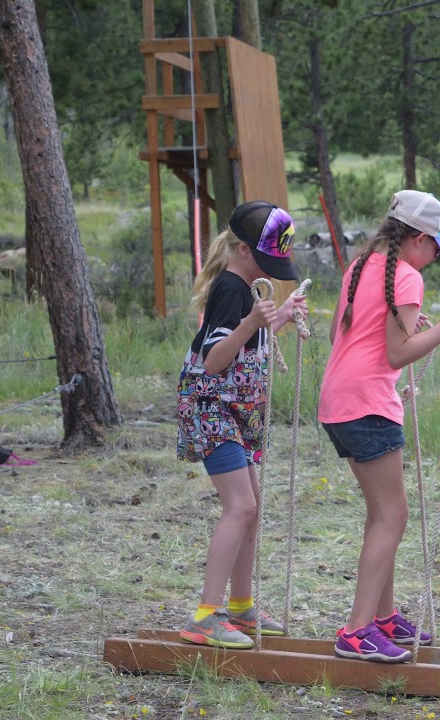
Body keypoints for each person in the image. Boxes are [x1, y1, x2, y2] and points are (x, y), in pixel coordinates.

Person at [319, 190, 440, 663]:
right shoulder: (407, 277)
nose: (436, 259)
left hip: (337, 399)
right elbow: (397, 354)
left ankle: (382, 616)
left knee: (381, 514)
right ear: (418, 238)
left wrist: (411, 328)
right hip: (368, 403)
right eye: (436, 250)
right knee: (392, 515)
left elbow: (340, 335)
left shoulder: (360, 266)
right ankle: (357, 631)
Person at [175, 201, 309, 648]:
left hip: (234, 410)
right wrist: (253, 320)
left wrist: (280, 316)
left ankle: (240, 608)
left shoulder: (247, 286)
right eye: (268, 259)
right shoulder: (232, 289)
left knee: (251, 508)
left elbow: (247, 342)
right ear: (245, 250)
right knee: (240, 507)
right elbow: (214, 360)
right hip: (211, 408)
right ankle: (204, 617)